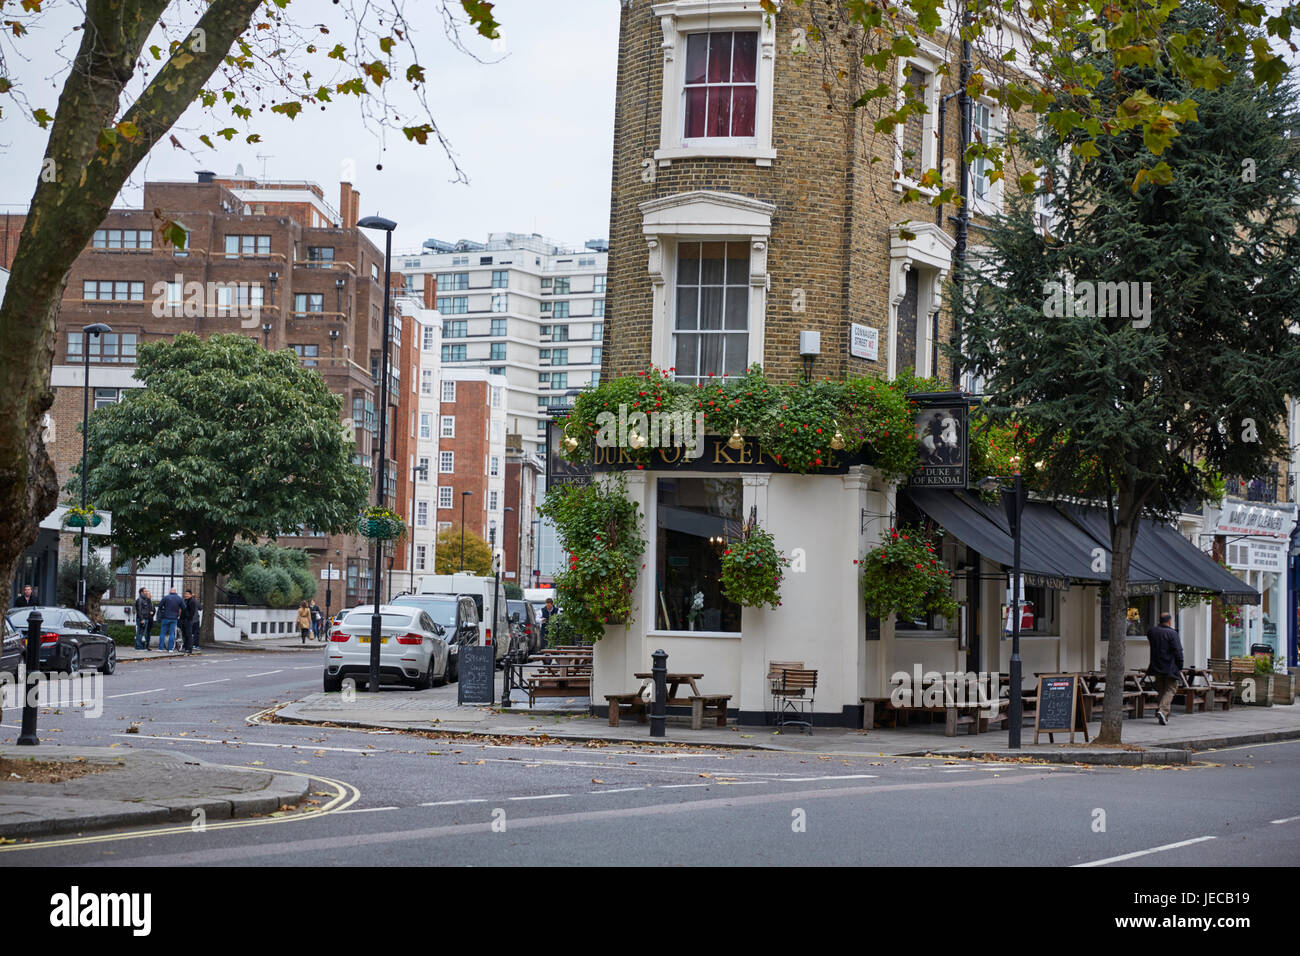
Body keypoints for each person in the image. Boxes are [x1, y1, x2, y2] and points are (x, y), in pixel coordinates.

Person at [1146, 611, 1185, 726]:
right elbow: (1178, 651)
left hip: (1156, 665)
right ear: (1169, 621)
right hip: (1170, 667)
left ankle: (1163, 715)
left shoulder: (1152, 631)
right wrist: (1180, 665)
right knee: (1171, 689)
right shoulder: (1172, 633)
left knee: (1161, 690)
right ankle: (1162, 711)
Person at [156, 587, 184, 652]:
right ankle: (170, 649)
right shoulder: (179, 598)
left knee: (162, 633)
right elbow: (184, 607)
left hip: (165, 617)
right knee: (172, 634)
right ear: (175, 591)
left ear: (170, 591)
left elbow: (160, 606)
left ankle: (160, 648)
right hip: (174, 618)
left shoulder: (165, 597)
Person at [180, 589, 200, 655]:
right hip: (183, 620)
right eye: (185, 594)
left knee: (189, 635)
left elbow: (192, 612)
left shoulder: (192, 601)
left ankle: (189, 649)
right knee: (185, 634)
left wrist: (188, 617)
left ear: (191, 595)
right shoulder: (185, 601)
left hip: (188, 620)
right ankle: (185, 648)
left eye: (188, 594)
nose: (186, 595)